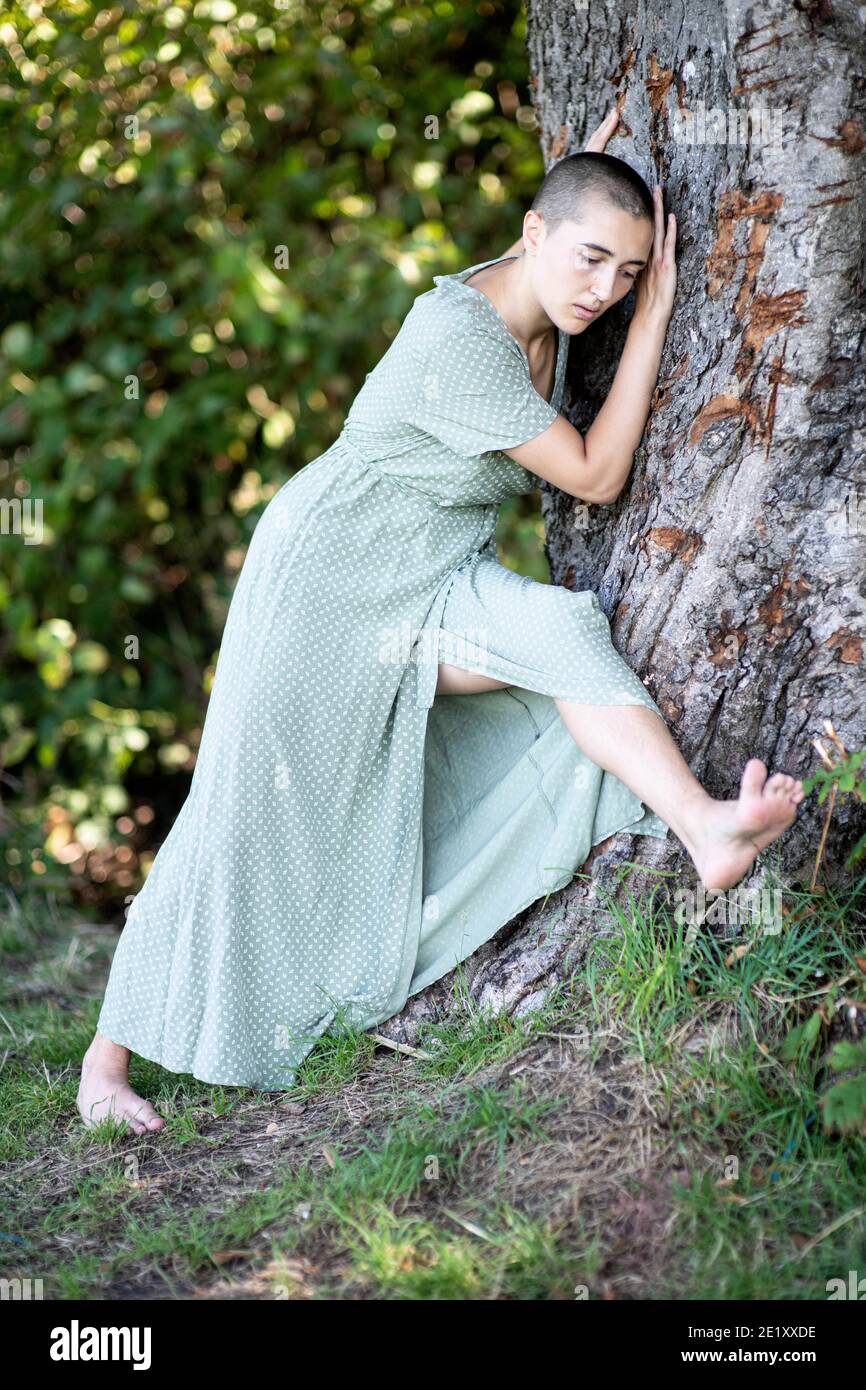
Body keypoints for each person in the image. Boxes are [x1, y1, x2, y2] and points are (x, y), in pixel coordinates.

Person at [78, 109, 804, 1134]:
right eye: (590, 259)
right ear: (533, 233)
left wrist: (575, 190)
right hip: (327, 583)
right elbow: (595, 477)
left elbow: (554, 242)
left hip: (430, 574)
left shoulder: (535, 290)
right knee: (239, 804)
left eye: (632, 274)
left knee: (564, 635)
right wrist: (653, 324)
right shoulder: (454, 338)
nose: (604, 289)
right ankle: (103, 1066)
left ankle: (701, 826)